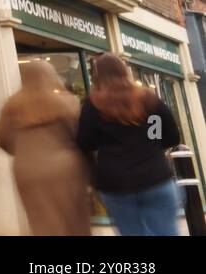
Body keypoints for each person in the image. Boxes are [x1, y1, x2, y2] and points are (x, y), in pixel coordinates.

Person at [76, 54, 182, 236]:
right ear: (124, 71)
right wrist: (150, 144)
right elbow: (171, 137)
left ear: (96, 75)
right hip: (156, 177)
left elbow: (85, 143)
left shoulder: (92, 105)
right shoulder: (148, 100)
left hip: (115, 184)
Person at [0, 61, 90, 235]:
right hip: (65, 168)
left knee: (41, 220)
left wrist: (22, 150)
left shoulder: (11, 106)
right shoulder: (67, 102)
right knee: (74, 220)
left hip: (27, 170)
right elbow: (79, 136)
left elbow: (0, 137)